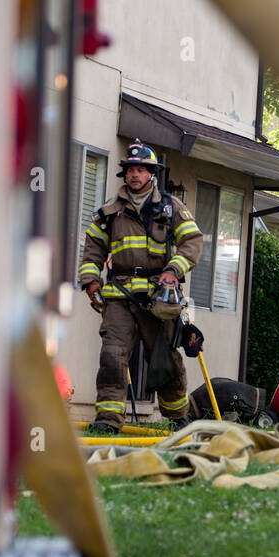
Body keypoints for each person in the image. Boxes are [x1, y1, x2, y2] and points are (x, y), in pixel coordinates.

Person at [78, 140, 203, 432]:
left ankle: (179, 417)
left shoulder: (171, 208)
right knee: (112, 356)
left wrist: (174, 270)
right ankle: (108, 420)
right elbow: (93, 247)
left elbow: (192, 242)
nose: (135, 174)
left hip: (157, 300)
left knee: (165, 359)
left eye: (141, 170)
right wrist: (90, 279)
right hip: (119, 297)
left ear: (152, 174)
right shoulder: (110, 212)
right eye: (131, 169)